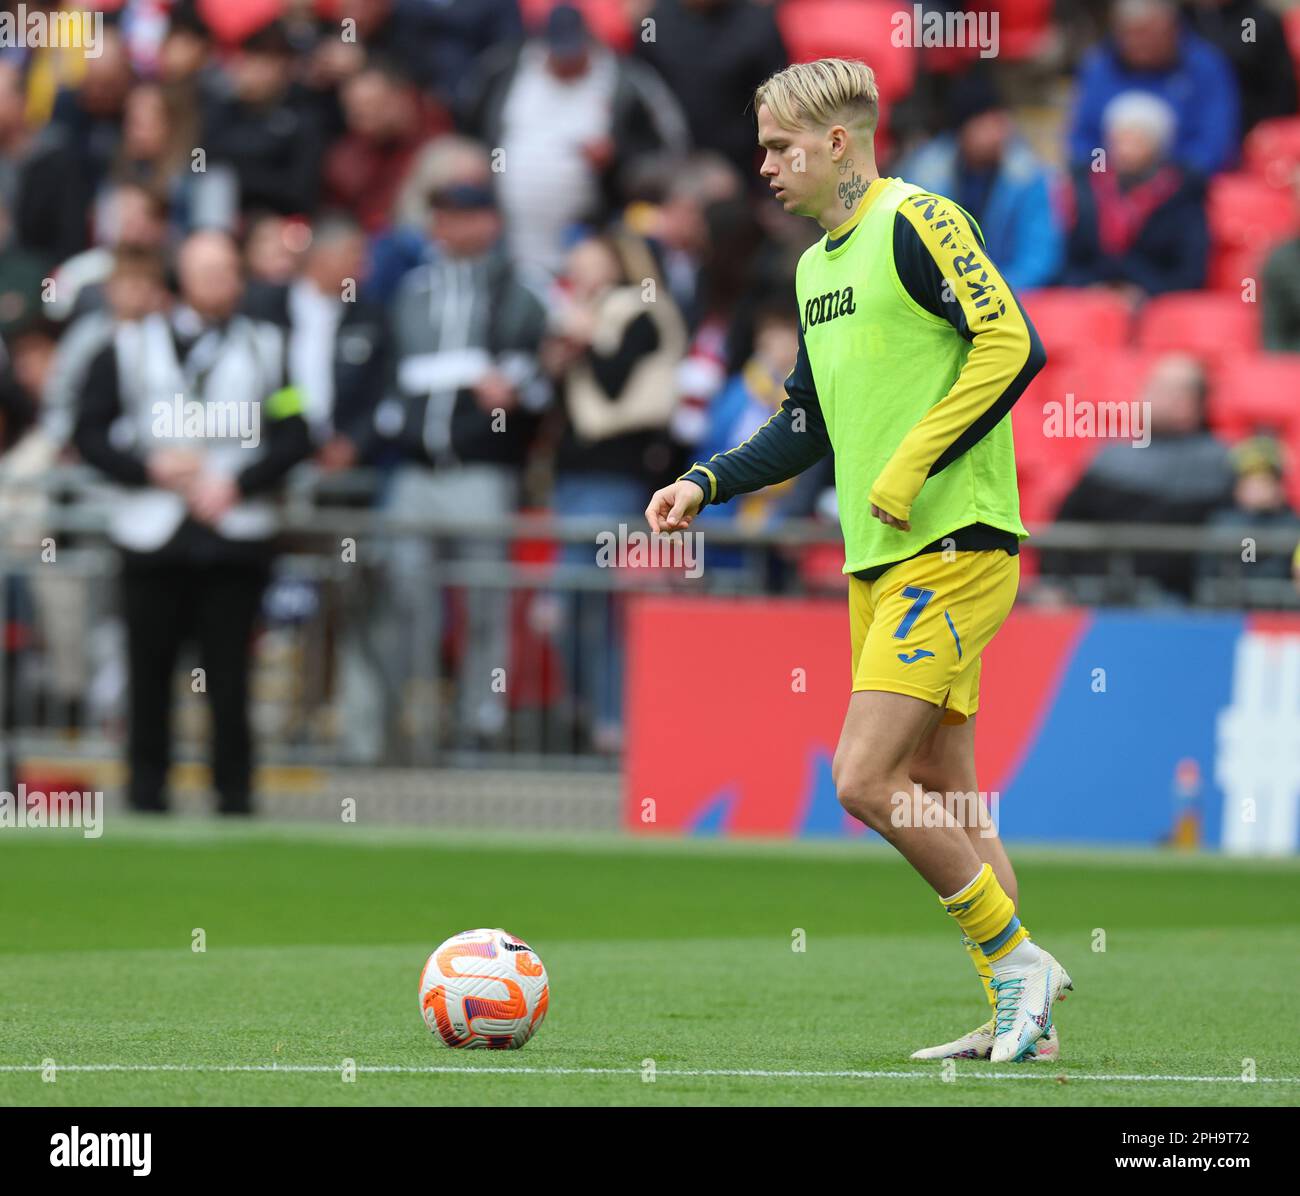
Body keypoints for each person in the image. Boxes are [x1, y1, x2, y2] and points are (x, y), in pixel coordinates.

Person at [644, 58, 1069, 1064]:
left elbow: (1009, 341)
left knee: (862, 776)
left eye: (781, 148)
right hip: (878, 560)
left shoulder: (918, 220)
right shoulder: (811, 268)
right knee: (947, 788)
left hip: (954, 541)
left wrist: (914, 461)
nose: (765, 167)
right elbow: (805, 423)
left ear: (839, 142)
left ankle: (1017, 964)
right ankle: (1027, 1014)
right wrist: (706, 479)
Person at [72, 229, 312, 814]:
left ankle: (235, 797)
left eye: (229, 270)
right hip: (150, 534)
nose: (219, 282)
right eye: (206, 270)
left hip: (233, 537)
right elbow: (90, 431)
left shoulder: (268, 347)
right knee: (147, 674)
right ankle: (146, 795)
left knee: (229, 677)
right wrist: (149, 467)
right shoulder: (126, 346)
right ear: (181, 276)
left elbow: (296, 432)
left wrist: (236, 483)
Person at [1061, 90, 1209, 300]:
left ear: (1157, 146)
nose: (1125, 150)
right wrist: (1092, 288)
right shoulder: (1087, 189)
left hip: (1158, 303)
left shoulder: (1182, 194)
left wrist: (1145, 292)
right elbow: (1070, 260)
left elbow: (1191, 273)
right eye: (1120, 140)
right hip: (1092, 302)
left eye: (1137, 141)